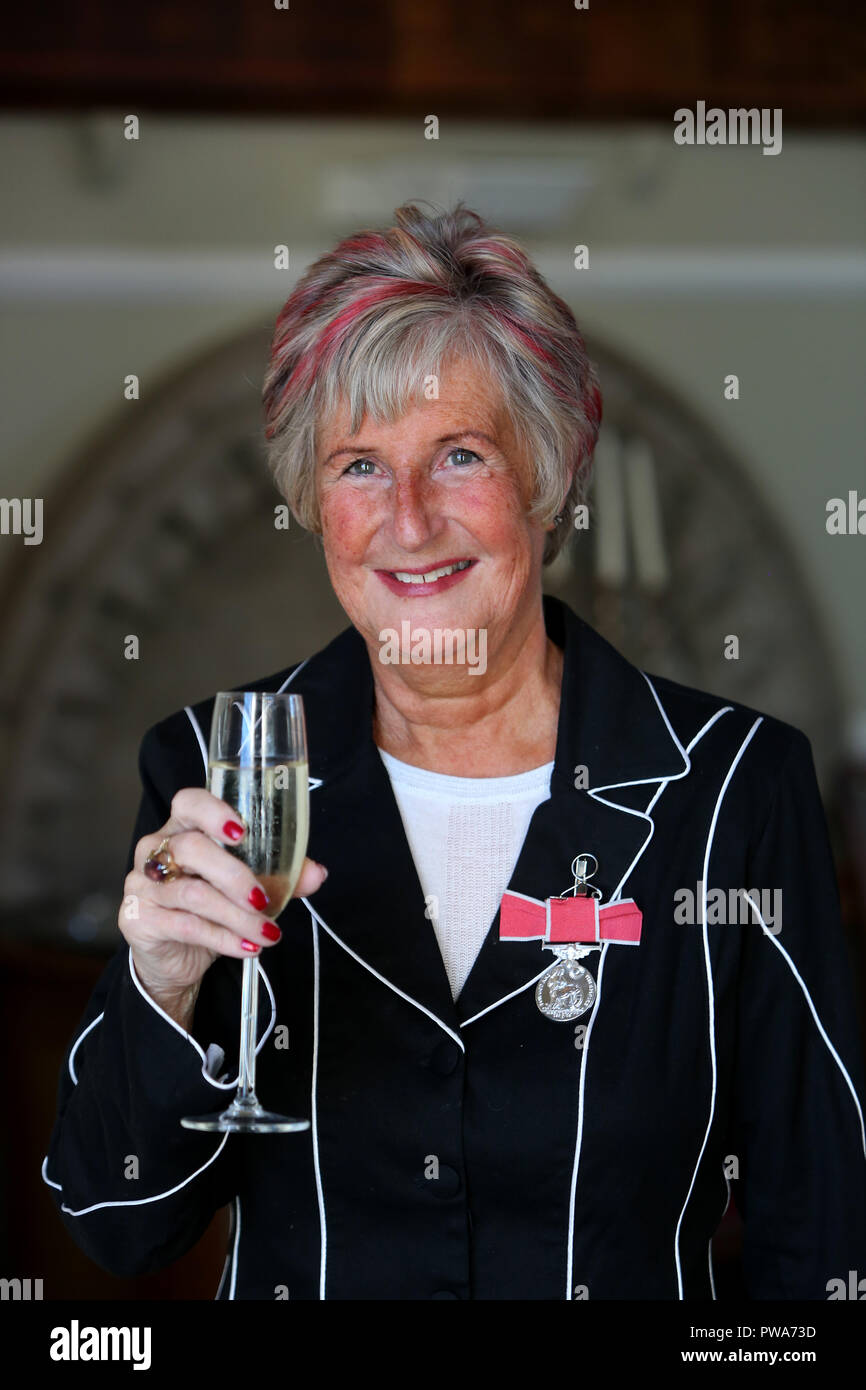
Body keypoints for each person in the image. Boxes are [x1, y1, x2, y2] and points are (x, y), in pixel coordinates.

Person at [43, 202, 866, 1300]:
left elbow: (820, 1229)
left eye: (459, 454)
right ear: (310, 499)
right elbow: (115, 1219)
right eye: (358, 467)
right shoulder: (213, 768)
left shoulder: (729, 791)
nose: (410, 520)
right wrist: (166, 980)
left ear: (548, 473)